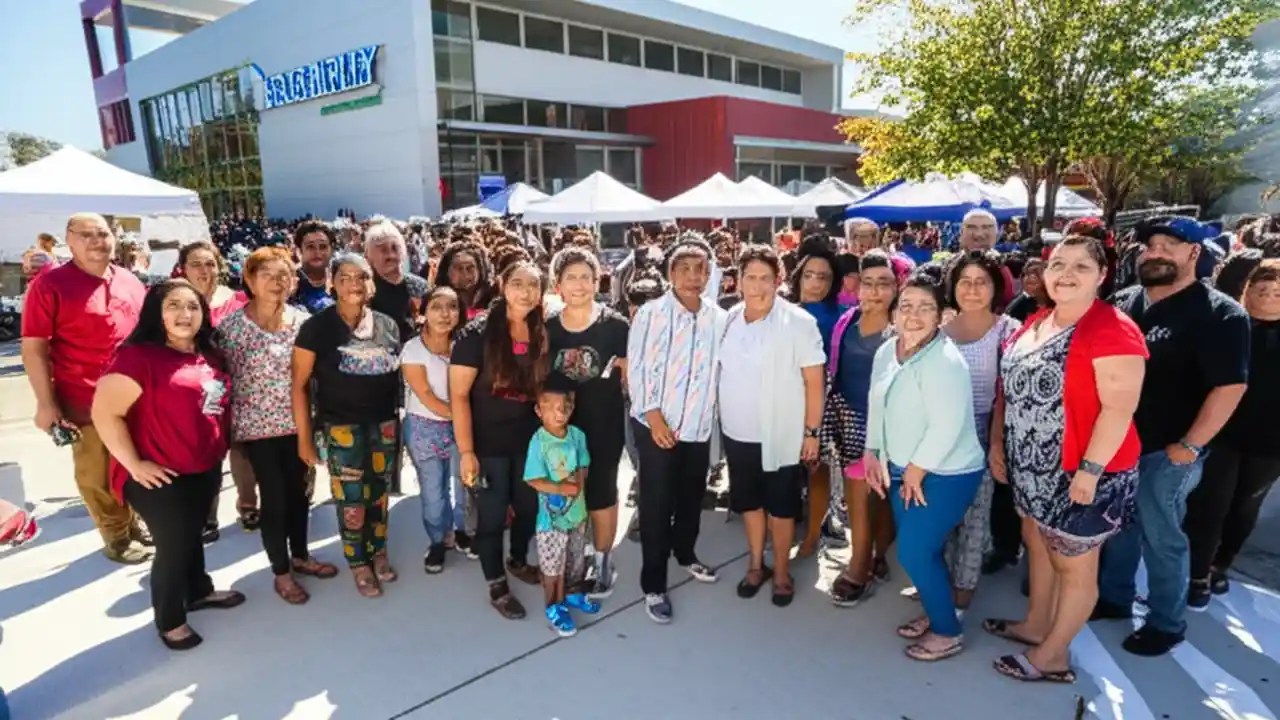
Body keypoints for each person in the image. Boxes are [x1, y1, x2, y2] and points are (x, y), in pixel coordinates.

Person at [984, 235, 1147, 683]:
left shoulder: (1113, 329)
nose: (1067, 274)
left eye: (1081, 266)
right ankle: (1036, 623)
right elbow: (1008, 391)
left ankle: (1052, 655)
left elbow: (1119, 408)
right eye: (1059, 264)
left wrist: (1091, 472)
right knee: (1037, 544)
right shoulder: (1038, 319)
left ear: (1102, 275)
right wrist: (999, 443)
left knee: (1074, 565)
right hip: (1032, 467)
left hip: (1082, 471)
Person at [1098, 216, 1250, 656]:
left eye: (1170, 244)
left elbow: (1230, 386)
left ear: (1193, 253)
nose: (1157, 252)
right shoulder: (1123, 302)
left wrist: (1189, 446)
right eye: (1151, 245)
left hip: (1169, 452)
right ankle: (1114, 598)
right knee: (1120, 528)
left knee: (1161, 535)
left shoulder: (1220, 314)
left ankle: (1167, 622)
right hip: (1118, 445)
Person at [91, 279, 244, 650]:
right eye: (174, 305)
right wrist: (135, 464)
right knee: (174, 545)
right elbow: (105, 413)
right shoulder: (137, 358)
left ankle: (198, 591)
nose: (184, 314)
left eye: (192, 307)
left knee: (192, 534)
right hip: (158, 474)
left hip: (202, 466)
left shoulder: (209, 354)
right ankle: (170, 618)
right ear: (156, 313)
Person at [864, 272, 986, 661]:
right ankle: (939, 610)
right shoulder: (888, 351)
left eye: (925, 308)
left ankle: (947, 631)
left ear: (941, 316)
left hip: (946, 473)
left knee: (915, 552)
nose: (913, 316)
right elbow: (876, 403)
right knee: (921, 550)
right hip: (901, 468)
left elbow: (947, 425)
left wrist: (917, 469)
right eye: (906, 307)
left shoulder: (946, 361)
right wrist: (872, 450)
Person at [21, 212, 151, 564]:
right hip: (83, 400)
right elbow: (34, 348)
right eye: (87, 235)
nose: (97, 241)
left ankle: (133, 523)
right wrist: (45, 404)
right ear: (70, 239)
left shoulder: (128, 280)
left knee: (132, 465)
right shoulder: (49, 285)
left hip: (134, 397)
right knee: (97, 472)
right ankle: (116, 536)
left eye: (103, 234)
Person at [217, 247, 336, 605]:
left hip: (299, 424)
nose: (276, 281)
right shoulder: (232, 329)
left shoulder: (302, 322)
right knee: (275, 501)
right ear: (250, 281)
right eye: (266, 274)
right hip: (257, 430)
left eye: (283, 274)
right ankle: (281, 571)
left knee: (301, 496)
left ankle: (300, 554)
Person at [720, 245, 826, 606]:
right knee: (749, 502)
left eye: (766, 277)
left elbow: (814, 381)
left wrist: (812, 433)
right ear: (739, 280)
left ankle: (781, 570)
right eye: (750, 277)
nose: (757, 285)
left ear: (778, 280)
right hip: (737, 431)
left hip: (780, 433)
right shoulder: (730, 319)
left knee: (782, 507)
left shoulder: (798, 322)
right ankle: (755, 564)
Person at [293, 253, 402, 598]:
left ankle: (379, 550)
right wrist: (305, 439)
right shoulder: (316, 327)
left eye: (361, 277)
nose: (354, 284)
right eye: (345, 277)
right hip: (341, 427)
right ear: (332, 282)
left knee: (379, 493)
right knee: (351, 499)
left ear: (371, 283)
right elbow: (299, 384)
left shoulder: (387, 325)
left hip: (383, 424)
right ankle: (358, 561)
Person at [628, 235, 725, 624]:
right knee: (655, 504)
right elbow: (635, 369)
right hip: (656, 427)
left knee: (690, 498)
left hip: (698, 427)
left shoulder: (719, 318)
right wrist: (653, 418)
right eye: (683, 268)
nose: (692, 276)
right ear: (670, 273)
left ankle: (685, 554)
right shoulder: (650, 314)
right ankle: (653, 584)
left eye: (699, 268)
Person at [450, 260, 548, 620]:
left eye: (533, 285)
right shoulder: (476, 334)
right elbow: (459, 395)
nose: (526, 292)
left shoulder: (541, 329)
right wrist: (466, 452)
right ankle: (496, 583)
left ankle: (518, 559)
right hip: (487, 442)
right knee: (491, 518)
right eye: (518, 283)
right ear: (503, 286)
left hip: (528, 442)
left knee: (528, 508)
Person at [1184, 259, 1280, 609]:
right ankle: (1197, 573)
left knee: (1245, 507)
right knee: (1211, 503)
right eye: (1261, 290)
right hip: (1223, 433)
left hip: (1270, 443)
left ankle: (1219, 563)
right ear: (1247, 292)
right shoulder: (1230, 326)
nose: (1269, 298)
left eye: (1277, 292)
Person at [547, 247, 629, 599]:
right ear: (558, 284)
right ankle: (569, 560)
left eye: (586, 277)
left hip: (604, 424)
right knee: (566, 493)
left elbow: (630, 373)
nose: (579, 284)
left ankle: (604, 559)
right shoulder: (548, 328)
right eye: (571, 277)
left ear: (598, 281)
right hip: (561, 431)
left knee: (602, 492)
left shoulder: (616, 326)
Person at [941, 251, 1021, 615]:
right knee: (942, 516)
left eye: (981, 282)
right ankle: (938, 578)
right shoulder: (937, 331)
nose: (972, 290)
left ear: (995, 287)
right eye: (964, 281)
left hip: (984, 429)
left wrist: (996, 442)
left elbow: (1010, 393)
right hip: (940, 432)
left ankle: (963, 589)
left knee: (975, 517)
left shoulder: (1009, 331)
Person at [821, 250, 899, 605]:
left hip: (890, 427)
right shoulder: (847, 321)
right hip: (849, 420)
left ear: (897, 287)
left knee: (881, 499)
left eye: (884, 283)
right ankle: (859, 564)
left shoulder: (901, 329)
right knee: (856, 495)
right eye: (868, 283)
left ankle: (876, 555)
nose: (875, 290)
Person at [176, 240, 254, 539]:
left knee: (241, 449)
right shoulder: (174, 301)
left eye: (209, 263)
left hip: (235, 385)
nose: (204, 270)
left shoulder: (236, 300)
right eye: (196, 264)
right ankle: (205, 516)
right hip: (191, 387)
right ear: (183, 269)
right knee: (203, 453)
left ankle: (248, 506)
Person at [523, 375, 603, 637]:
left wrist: (578, 482)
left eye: (566, 407)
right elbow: (533, 479)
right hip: (551, 522)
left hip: (577, 515)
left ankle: (574, 593)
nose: (560, 413)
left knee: (576, 559)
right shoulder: (539, 442)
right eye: (553, 408)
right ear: (539, 410)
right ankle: (554, 606)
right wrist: (561, 488)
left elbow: (583, 464)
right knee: (552, 567)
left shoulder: (577, 435)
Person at [402, 286, 470, 573]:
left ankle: (462, 531)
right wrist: (463, 416)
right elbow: (427, 396)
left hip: (460, 426)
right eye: (436, 307)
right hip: (424, 426)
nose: (445, 314)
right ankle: (437, 541)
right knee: (433, 490)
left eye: (452, 307)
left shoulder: (465, 346)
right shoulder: (413, 349)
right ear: (424, 313)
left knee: (463, 484)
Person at [787, 247, 846, 557]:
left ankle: (814, 532)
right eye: (809, 275)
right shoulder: (782, 309)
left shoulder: (840, 316)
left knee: (817, 468)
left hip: (822, 401)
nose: (815, 283)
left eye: (823, 277)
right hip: (783, 399)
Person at [364, 220, 428, 345]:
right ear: (369, 256)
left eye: (395, 248)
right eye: (383, 250)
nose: (391, 255)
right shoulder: (365, 289)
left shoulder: (420, 286)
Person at [959, 210, 1016, 307]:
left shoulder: (1009, 265)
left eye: (986, 227)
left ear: (997, 233)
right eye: (971, 227)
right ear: (961, 232)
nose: (979, 234)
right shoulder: (950, 267)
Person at [435, 241, 494, 321]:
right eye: (458, 267)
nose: (465, 274)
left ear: (481, 270)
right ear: (446, 271)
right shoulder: (435, 300)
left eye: (470, 268)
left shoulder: (493, 301)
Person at [289, 220, 336, 314]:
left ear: (331, 250)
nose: (317, 253)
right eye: (310, 247)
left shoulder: (341, 278)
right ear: (299, 251)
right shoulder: (289, 280)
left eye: (323, 247)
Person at [1004, 258, 1049, 323]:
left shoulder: (1057, 303)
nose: (1029, 277)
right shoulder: (1018, 306)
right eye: (1026, 274)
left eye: (1036, 273)